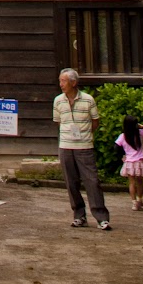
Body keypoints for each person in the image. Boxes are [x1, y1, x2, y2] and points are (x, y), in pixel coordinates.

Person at [53, 67, 110, 230]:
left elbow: (95, 122)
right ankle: (79, 215)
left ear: (73, 82)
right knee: (71, 182)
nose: (61, 84)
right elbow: (58, 122)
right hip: (65, 145)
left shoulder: (88, 99)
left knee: (92, 181)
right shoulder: (58, 100)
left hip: (84, 145)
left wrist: (84, 134)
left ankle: (101, 217)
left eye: (63, 81)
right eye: (60, 81)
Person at [115, 115, 143, 210]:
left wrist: (122, 155)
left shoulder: (123, 136)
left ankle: (134, 202)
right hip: (139, 161)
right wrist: (142, 126)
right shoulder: (140, 133)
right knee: (140, 182)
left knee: (131, 182)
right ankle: (139, 199)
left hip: (129, 161)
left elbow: (116, 147)